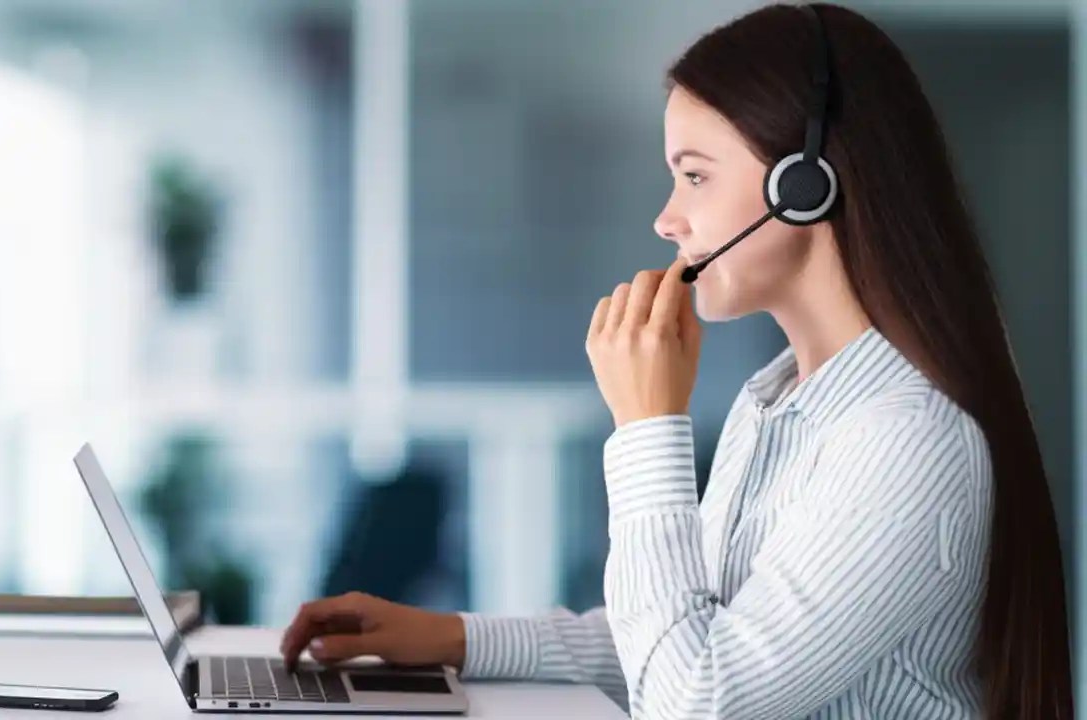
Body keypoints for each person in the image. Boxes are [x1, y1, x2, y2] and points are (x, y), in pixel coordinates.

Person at [278, 3, 1073, 718]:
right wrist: (453, 637)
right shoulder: (778, 408)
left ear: (804, 186)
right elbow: (680, 636)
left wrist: (646, 426)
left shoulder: (905, 439)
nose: (667, 220)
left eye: (695, 177)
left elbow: (693, 698)